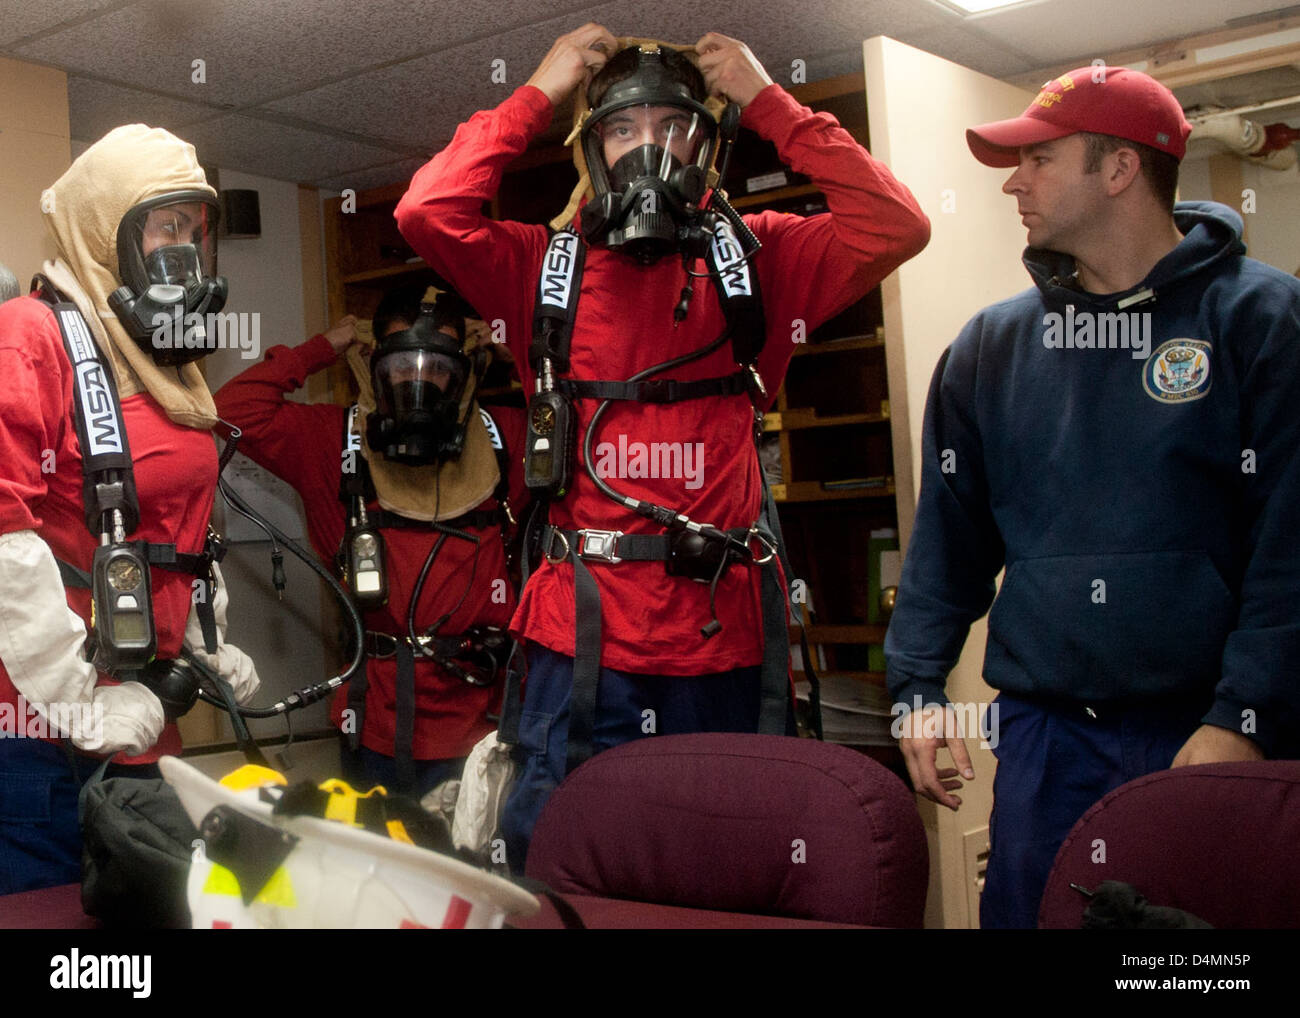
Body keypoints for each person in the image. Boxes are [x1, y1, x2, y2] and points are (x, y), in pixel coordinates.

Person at [395, 23, 930, 869]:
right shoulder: (541, 269)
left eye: (674, 129)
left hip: (726, 642)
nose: (650, 151)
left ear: (710, 149)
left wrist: (771, 103)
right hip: (582, 645)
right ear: (592, 153)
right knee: (562, 869)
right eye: (622, 129)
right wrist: (538, 91)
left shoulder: (760, 260)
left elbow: (895, 224)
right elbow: (426, 210)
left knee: (725, 868)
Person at [884, 67, 1300, 928]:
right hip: (1046, 741)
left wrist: (1243, 718)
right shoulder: (989, 349)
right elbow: (946, 547)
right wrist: (918, 685)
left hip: (1213, 729)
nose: (1012, 181)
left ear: (1118, 170)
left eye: (1038, 159)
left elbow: (1290, 551)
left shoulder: (1264, 320)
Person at [0, 125, 260, 894]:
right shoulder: (31, 335)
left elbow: (170, 526)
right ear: (106, 232)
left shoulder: (164, 366)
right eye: (161, 227)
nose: (180, 250)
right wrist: (80, 705)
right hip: (38, 735)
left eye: (192, 229)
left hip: (144, 717)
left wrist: (208, 633)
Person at [213, 286, 526, 799]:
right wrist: (324, 346)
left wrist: (516, 354)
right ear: (375, 370)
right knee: (382, 866)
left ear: (463, 375)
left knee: (480, 867)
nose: (419, 381)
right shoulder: (333, 441)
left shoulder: (501, 441)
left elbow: (575, 424)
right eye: (402, 366)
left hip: (486, 716)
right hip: (378, 717)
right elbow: (232, 410)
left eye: (438, 368)